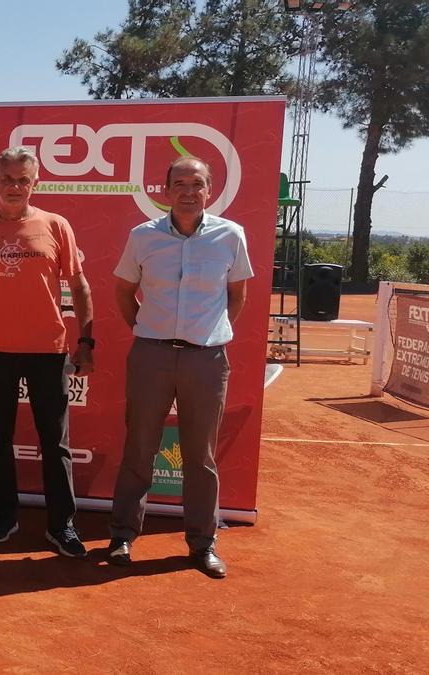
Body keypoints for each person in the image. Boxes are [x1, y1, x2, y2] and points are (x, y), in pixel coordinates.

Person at [108, 156, 251, 579]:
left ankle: (203, 543)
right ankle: (121, 536)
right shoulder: (142, 236)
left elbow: (237, 295)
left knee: (200, 455)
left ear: (210, 190)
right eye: (180, 184)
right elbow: (123, 291)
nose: (189, 192)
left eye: (197, 184)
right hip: (150, 355)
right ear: (166, 190)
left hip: (206, 359)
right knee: (139, 447)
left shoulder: (231, 235)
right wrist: (147, 330)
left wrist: (208, 332)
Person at [0, 146, 94, 556]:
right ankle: (4, 515)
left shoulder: (56, 225)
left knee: (56, 441)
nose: (14, 187)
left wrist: (85, 342)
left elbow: (80, 286)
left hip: (48, 351)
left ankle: (62, 524)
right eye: (7, 179)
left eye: (22, 180)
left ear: (35, 183)